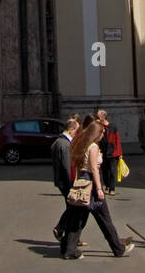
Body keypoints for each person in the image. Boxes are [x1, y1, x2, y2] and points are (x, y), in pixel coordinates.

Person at [62, 116, 134, 260]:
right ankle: (118, 248)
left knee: (78, 220)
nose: (102, 136)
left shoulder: (82, 144)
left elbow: (78, 165)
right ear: (96, 133)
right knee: (104, 219)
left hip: (82, 183)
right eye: (101, 133)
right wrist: (100, 189)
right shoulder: (93, 146)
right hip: (92, 186)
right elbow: (94, 169)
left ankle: (68, 249)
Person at [51, 114, 79, 244]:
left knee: (71, 208)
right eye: (76, 131)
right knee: (73, 208)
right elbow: (68, 167)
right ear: (71, 130)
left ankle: (69, 235)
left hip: (60, 181)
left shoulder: (57, 142)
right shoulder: (65, 145)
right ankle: (62, 229)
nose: (76, 134)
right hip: (67, 182)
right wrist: (73, 184)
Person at [97, 109, 122, 193]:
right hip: (103, 153)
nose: (97, 118)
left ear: (104, 117)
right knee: (104, 171)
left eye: (98, 117)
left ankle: (112, 188)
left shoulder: (113, 127)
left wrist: (119, 153)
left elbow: (117, 140)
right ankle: (107, 185)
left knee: (112, 171)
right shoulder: (99, 128)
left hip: (113, 153)